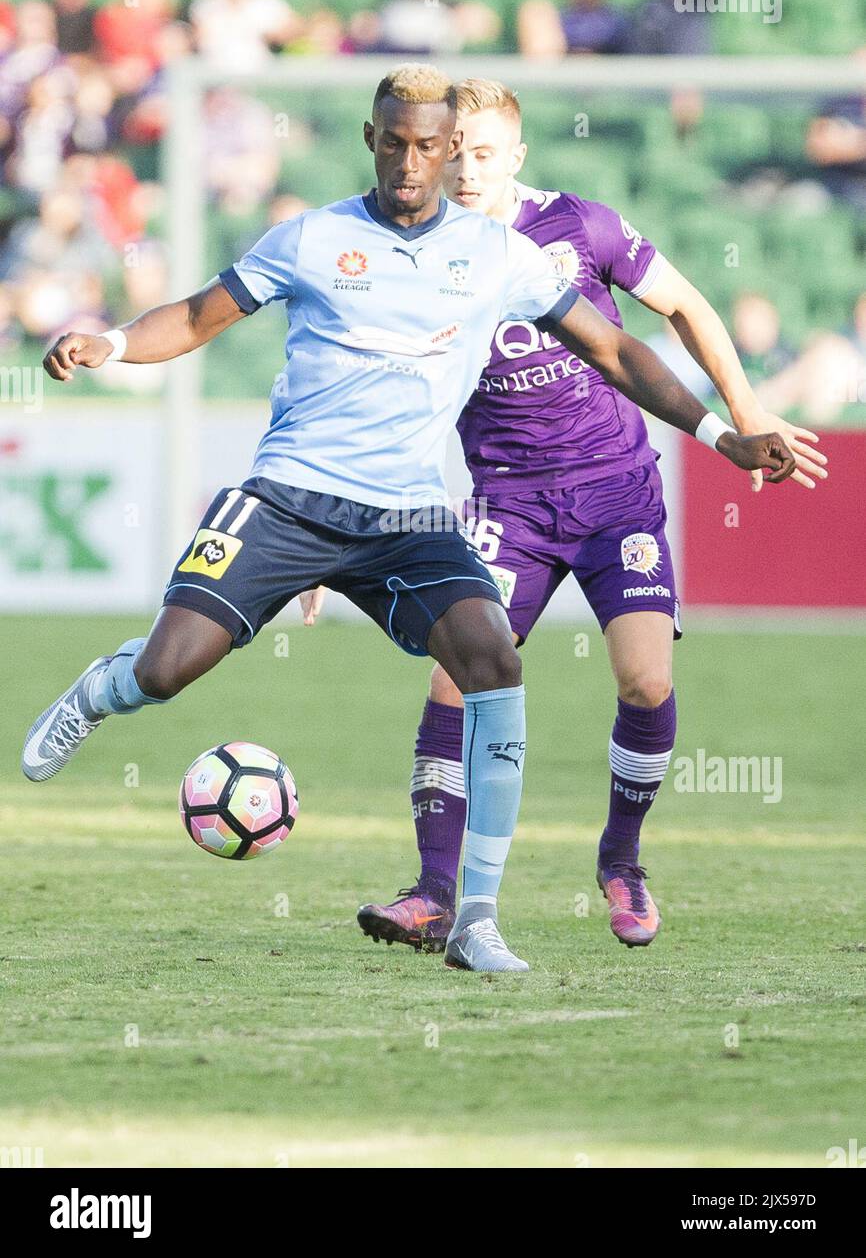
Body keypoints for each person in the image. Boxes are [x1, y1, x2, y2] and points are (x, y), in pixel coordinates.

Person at [23, 64, 795, 975]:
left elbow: (616, 347)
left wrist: (719, 430)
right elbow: (196, 315)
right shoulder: (311, 239)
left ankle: (472, 916)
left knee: (491, 664)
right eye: (398, 142)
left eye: (435, 145)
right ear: (371, 139)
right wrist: (108, 342)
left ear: (458, 150)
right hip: (290, 501)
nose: (417, 161)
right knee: (167, 668)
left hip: (411, 520)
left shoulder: (502, 253)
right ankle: (100, 692)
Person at [324, 79, 823, 956]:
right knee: (456, 680)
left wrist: (744, 417)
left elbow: (687, 307)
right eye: (454, 152)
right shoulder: (419, 252)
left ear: (516, 156)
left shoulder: (581, 228)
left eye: (485, 154)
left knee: (647, 684)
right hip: (507, 503)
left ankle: (621, 860)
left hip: (613, 492)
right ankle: (435, 892)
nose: (466, 171)